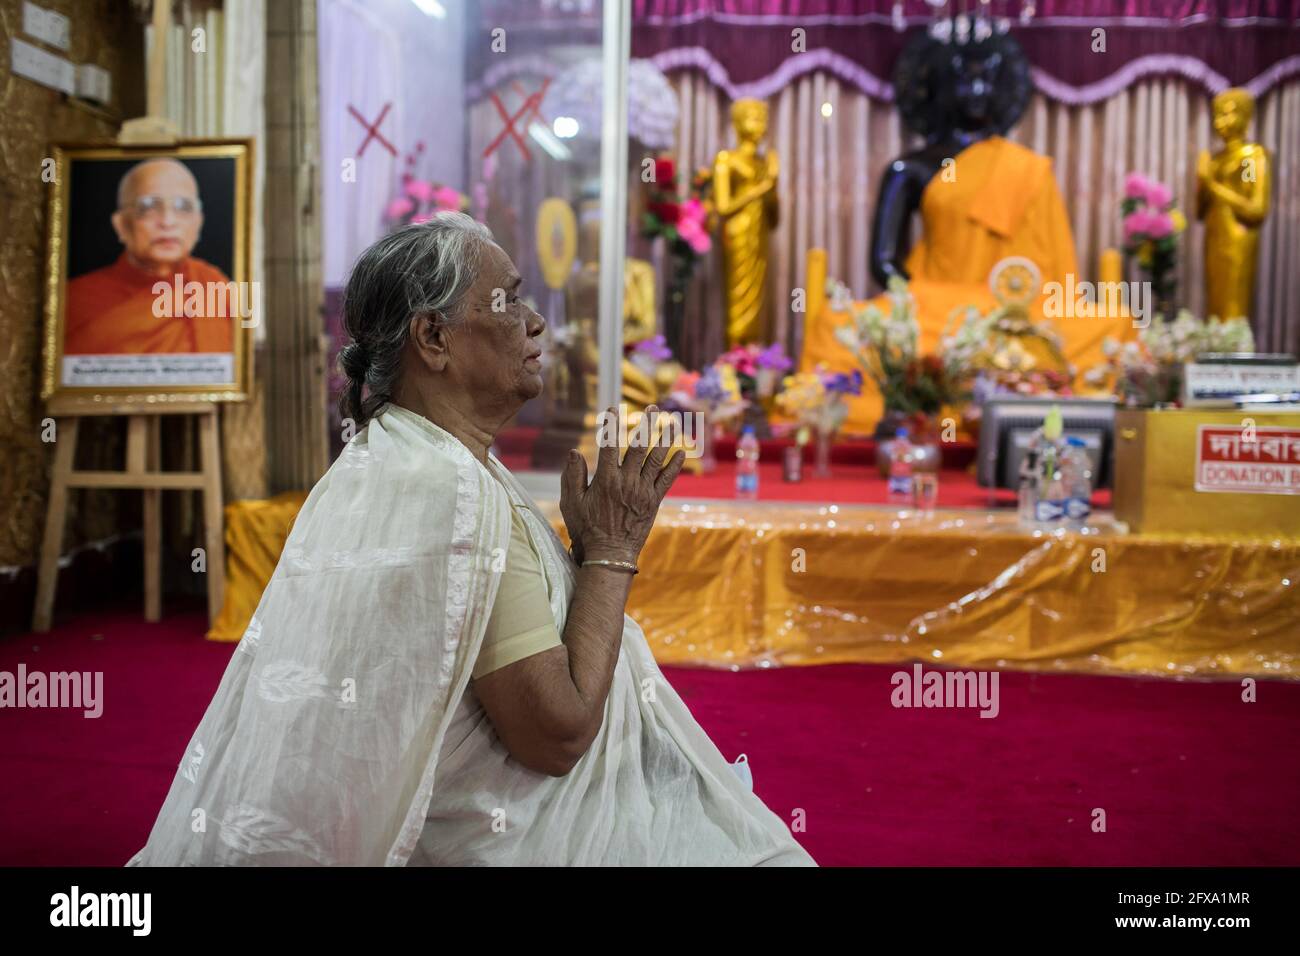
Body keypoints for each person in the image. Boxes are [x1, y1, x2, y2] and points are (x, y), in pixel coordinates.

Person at [126, 212, 816, 867]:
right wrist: (610, 552)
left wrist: (577, 562)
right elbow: (559, 734)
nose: (537, 322)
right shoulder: (451, 495)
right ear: (433, 339)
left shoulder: (400, 464)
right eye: (510, 301)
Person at [63, 158, 235, 355]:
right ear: (121, 225)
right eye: (149, 207)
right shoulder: (76, 300)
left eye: (183, 207)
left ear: (198, 223)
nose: (168, 222)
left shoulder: (213, 286)